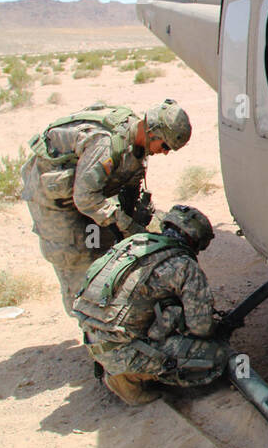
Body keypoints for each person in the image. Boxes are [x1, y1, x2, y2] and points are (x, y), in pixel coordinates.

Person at [20, 100, 191, 315]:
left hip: (87, 195)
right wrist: (125, 224)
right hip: (56, 202)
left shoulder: (137, 145)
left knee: (104, 249)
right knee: (77, 259)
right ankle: (89, 324)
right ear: (151, 132)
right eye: (165, 146)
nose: (165, 153)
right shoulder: (105, 145)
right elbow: (85, 199)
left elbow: (119, 191)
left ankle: (103, 311)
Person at [74, 204, 229, 406]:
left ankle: (120, 366)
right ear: (195, 240)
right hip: (125, 351)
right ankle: (130, 378)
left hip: (93, 339)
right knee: (218, 356)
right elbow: (201, 327)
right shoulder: (183, 264)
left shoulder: (134, 243)